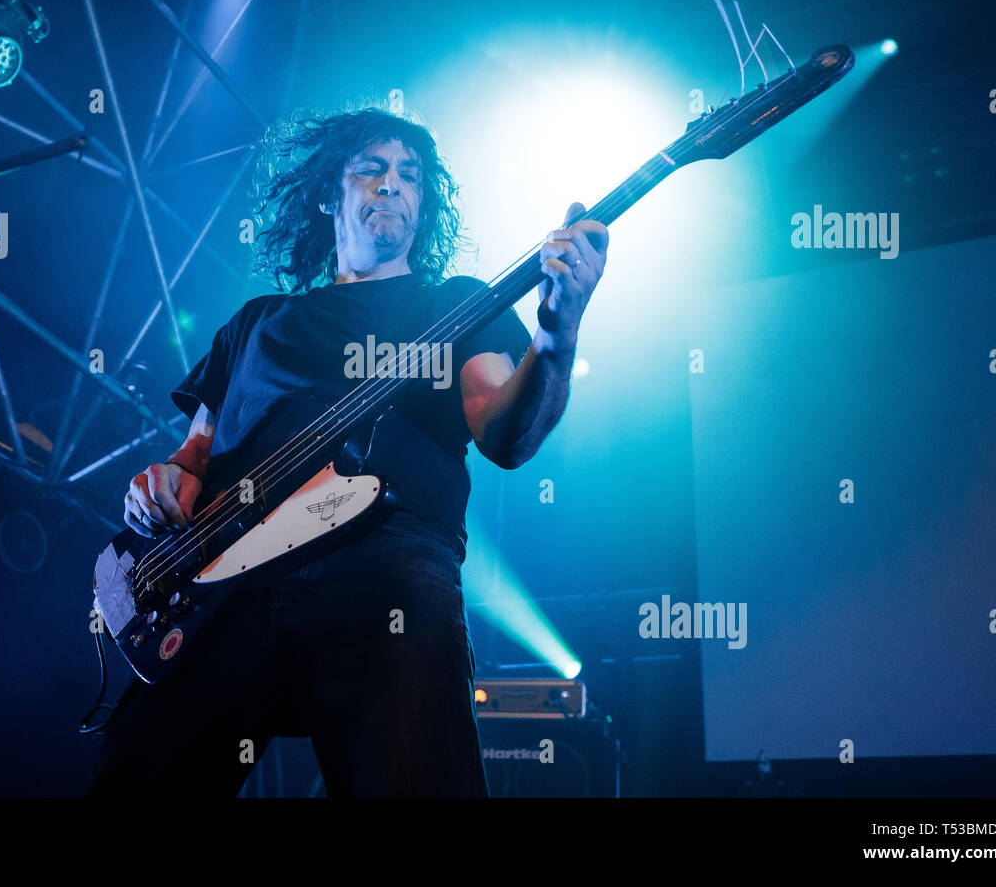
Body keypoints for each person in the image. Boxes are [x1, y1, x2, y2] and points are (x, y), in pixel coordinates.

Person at [88, 107, 608, 796]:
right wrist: (161, 483)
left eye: (410, 175)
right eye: (373, 167)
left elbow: (505, 437)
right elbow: (193, 457)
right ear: (330, 193)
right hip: (220, 587)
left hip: (384, 564)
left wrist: (556, 336)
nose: (393, 184)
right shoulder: (254, 324)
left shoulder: (456, 303)